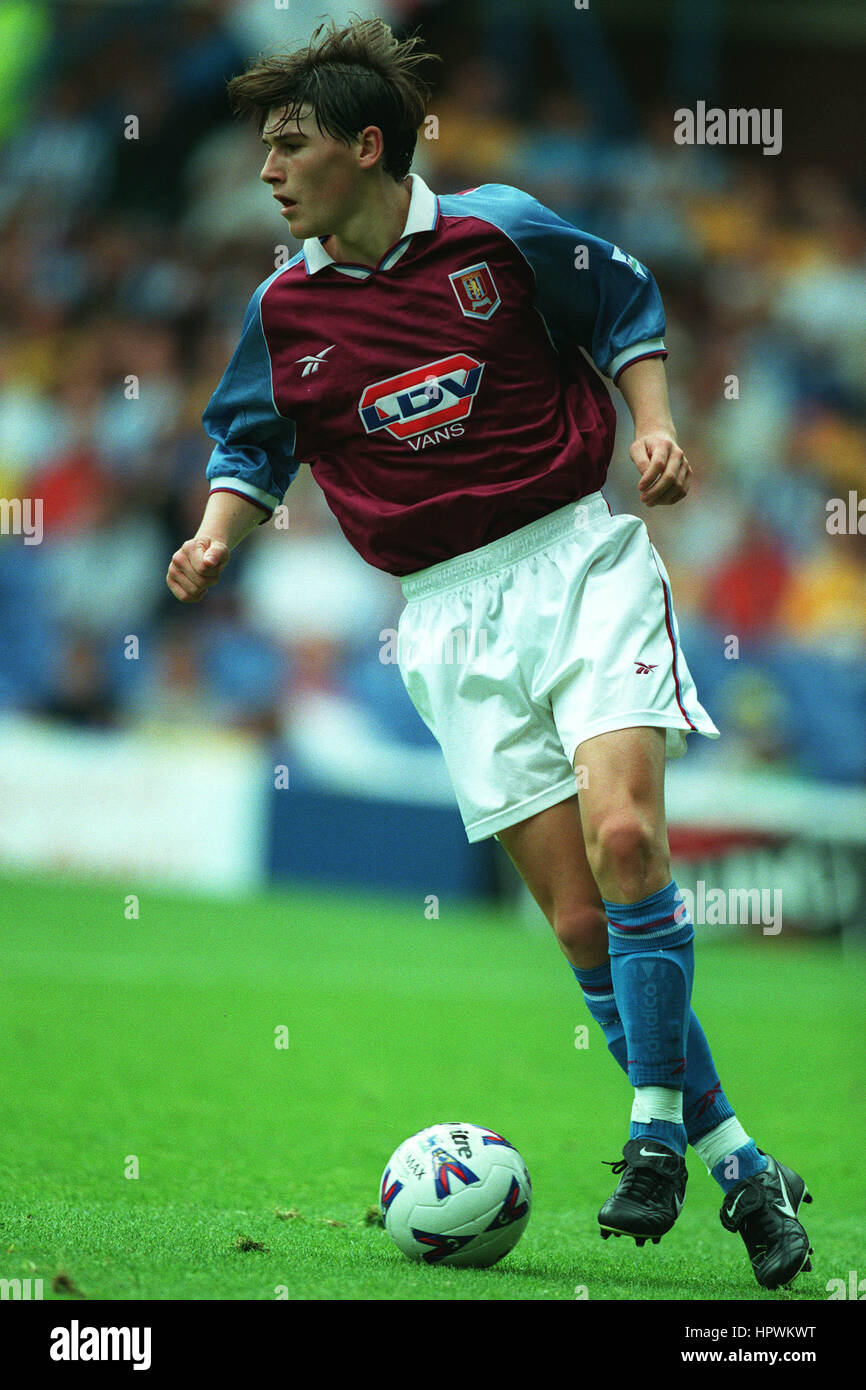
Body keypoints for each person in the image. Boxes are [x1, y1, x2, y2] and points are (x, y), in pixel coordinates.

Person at [166, 16, 812, 1291]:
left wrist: (658, 428)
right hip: (444, 617)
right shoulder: (282, 306)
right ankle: (737, 1161)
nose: (265, 171)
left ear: (368, 146)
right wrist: (211, 535)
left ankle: (648, 1136)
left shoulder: (498, 232)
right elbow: (252, 439)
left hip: (577, 562)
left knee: (628, 842)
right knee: (578, 914)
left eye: (288, 145)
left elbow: (624, 299)